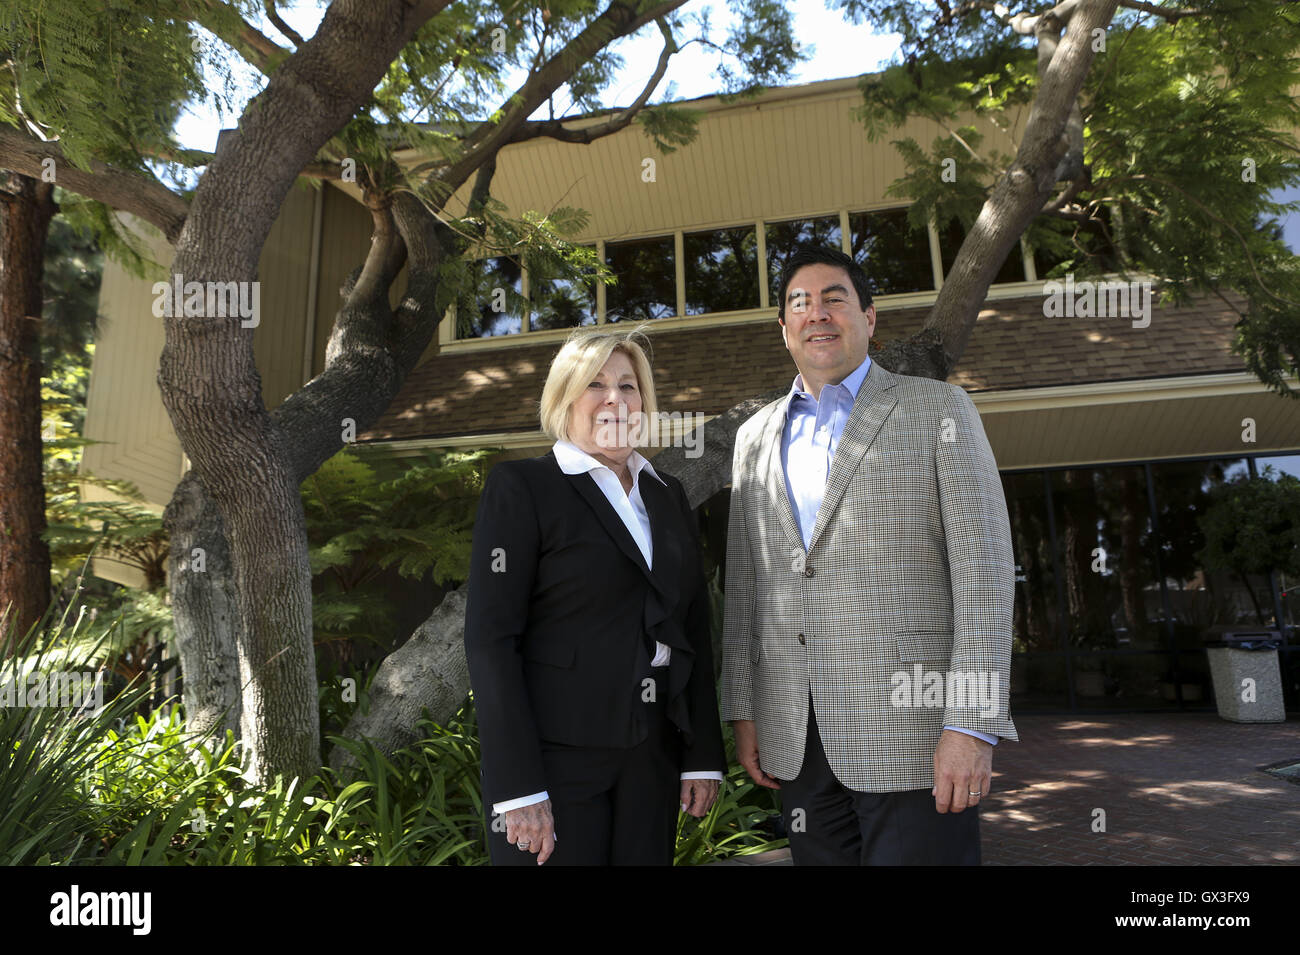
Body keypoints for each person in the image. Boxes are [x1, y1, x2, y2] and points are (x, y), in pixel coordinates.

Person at [720, 245, 1017, 865]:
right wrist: (744, 710)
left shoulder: (939, 409)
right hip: (796, 736)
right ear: (784, 329)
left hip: (913, 734)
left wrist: (971, 724)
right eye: (800, 303)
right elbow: (746, 587)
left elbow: (984, 576)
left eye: (835, 298)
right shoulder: (754, 438)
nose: (817, 313)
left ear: (870, 317)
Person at [465, 328, 725, 866]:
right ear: (564, 399)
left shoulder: (667, 493)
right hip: (555, 760)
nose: (615, 399)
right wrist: (518, 787)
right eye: (596, 384)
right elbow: (492, 640)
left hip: (651, 755)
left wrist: (702, 755)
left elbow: (692, 626)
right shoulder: (523, 488)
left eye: (629, 386)